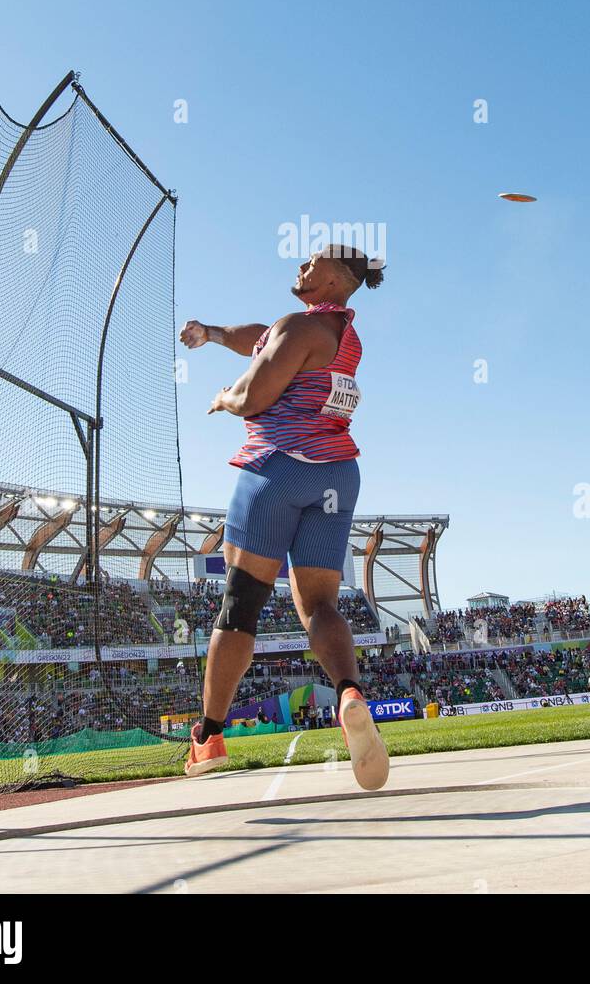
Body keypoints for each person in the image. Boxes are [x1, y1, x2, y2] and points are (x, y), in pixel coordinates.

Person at [179, 244, 389, 791]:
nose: (302, 266)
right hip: (336, 475)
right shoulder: (340, 334)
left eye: (314, 262)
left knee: (241, 604)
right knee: (320, 605)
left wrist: (225, 397)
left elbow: (254, 396)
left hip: (276, 469)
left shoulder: (299, 327)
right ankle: (349, 693)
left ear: (339, 277)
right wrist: (215, 334)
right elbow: (264, 339)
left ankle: (209, 737)